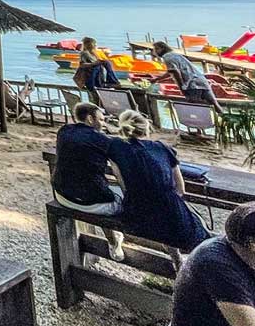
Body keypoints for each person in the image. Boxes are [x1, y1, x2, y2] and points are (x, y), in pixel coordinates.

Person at [107, 110, 208, 258]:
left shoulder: (116, 147)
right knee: (198, 228)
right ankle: (179, 259)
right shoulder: (161, 148)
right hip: (170, 213)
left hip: (137, 212)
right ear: (146, 128)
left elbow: (121, 181)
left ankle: (177, 258)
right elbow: (181, 188)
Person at [52, 102, 125, 260]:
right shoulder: (102, 140)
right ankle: (114, 241)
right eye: (101, 119)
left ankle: (113, 241)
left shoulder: (63, 131)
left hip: (62, 196)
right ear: (90, 119)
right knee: (117, 198)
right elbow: (118, 172)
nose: (103, 123)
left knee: (94, 187)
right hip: (90, 203)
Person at [153, 41, 223, 112]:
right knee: (215, 104)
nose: (154, 52)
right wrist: (157, 79)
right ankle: (222, 116)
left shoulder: (167, 57)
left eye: (156, 49)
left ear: (162, 49)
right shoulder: (174, 54)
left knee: (194, 106)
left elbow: (175, 72)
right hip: (201, 81)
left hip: (191, 83)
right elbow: (171, 72)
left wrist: (182, 87)